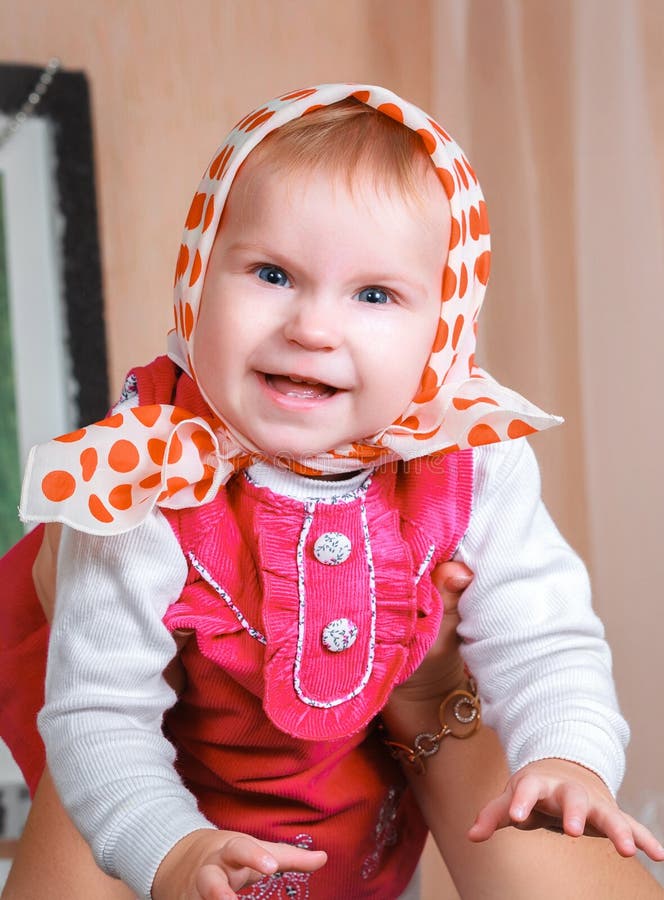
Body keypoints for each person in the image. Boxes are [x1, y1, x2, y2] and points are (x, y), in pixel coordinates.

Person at [10, 83, 664, 899]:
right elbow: (98, 712)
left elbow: (545, 638)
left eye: (375, 295)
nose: (312, 328)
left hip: (361, 844)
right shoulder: (146, 472)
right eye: (272, 273)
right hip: (153, 841)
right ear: (197, 275)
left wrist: (569, 757)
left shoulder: (469, 459)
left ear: (443, 328)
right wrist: (169, 852)